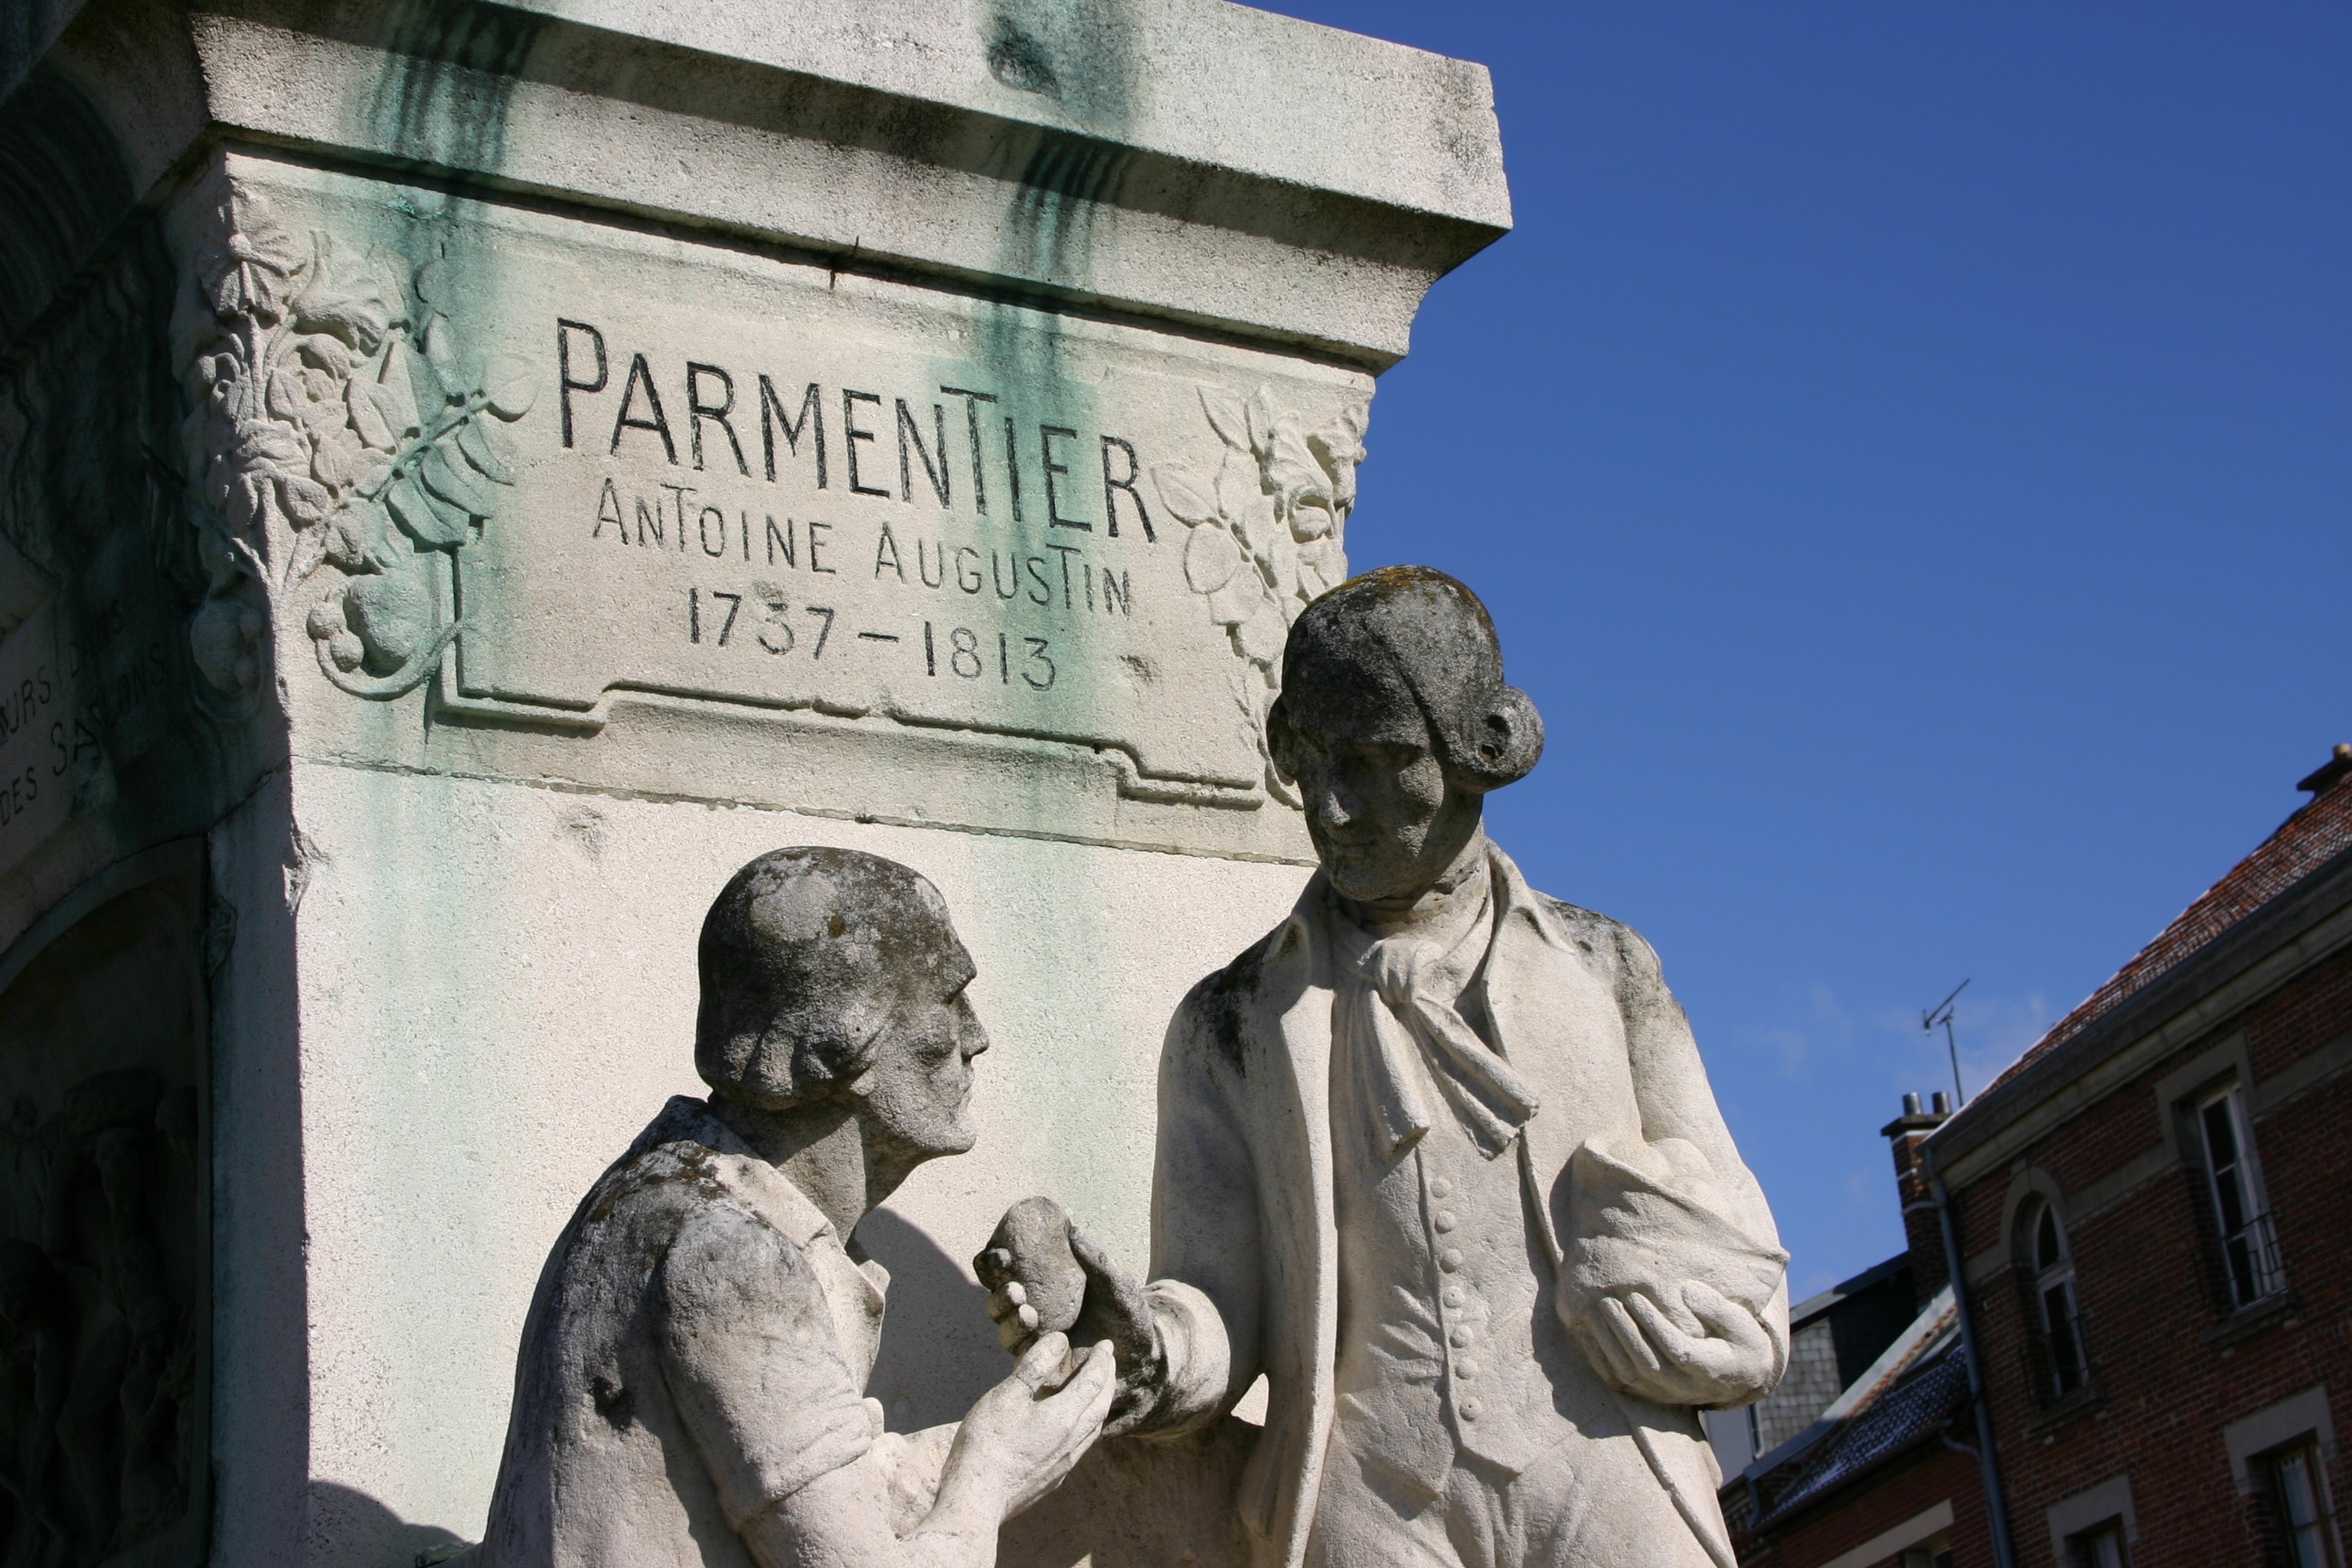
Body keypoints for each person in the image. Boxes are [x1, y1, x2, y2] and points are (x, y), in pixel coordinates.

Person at [980, 567, 1788, 1568]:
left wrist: (1704, 1321)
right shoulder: (1227, 1024)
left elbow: (1740, 1246)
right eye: (1310, 758)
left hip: (1603, 1465)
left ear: (1477, 751)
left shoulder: (1607, 970)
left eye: (1377, 759)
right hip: (1365, 1496)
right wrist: (1136, 1347)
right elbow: (1217, 1305)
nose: (1331, 804)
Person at [469, 846, 1116, 1568]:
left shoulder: (676, 1191)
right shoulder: (732, 1257)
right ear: (844, 1043)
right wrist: (992, 1475)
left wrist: (1024, 1425)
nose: (976, 1036)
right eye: (948, 999)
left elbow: (830, 1491)